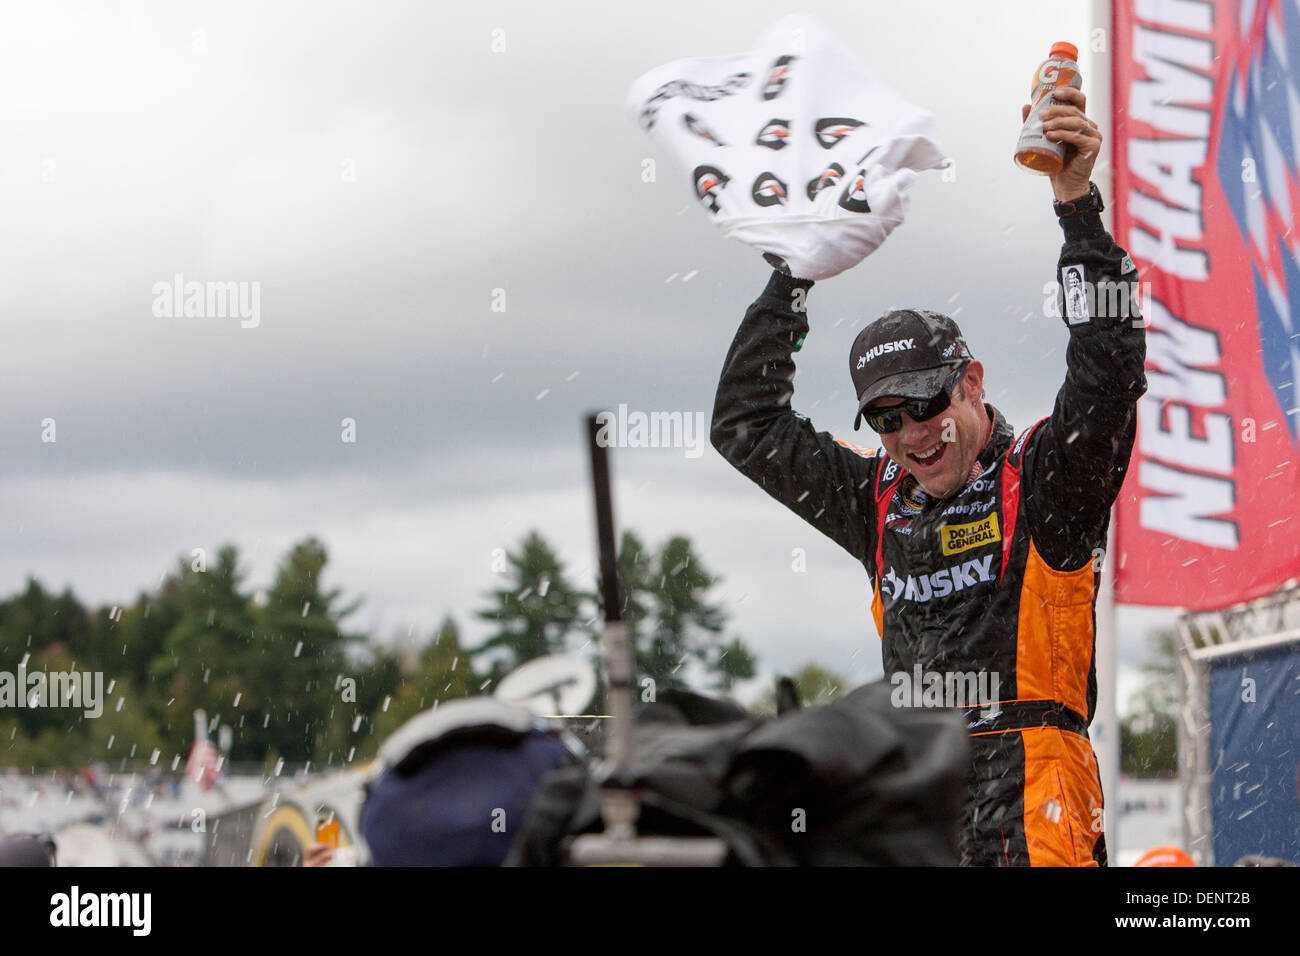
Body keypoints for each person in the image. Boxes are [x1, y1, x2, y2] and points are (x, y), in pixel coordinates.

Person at [709, 86, 1146, 866]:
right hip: (916, 799)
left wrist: (1077, 206)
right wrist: (794, 276)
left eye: (923, 403)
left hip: (1035, 799)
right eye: (884, 418)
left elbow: (1108, 373)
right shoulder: (871, 500)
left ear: (971, 382)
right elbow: (744, 425)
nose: (910, 433)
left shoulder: (1045, 480)